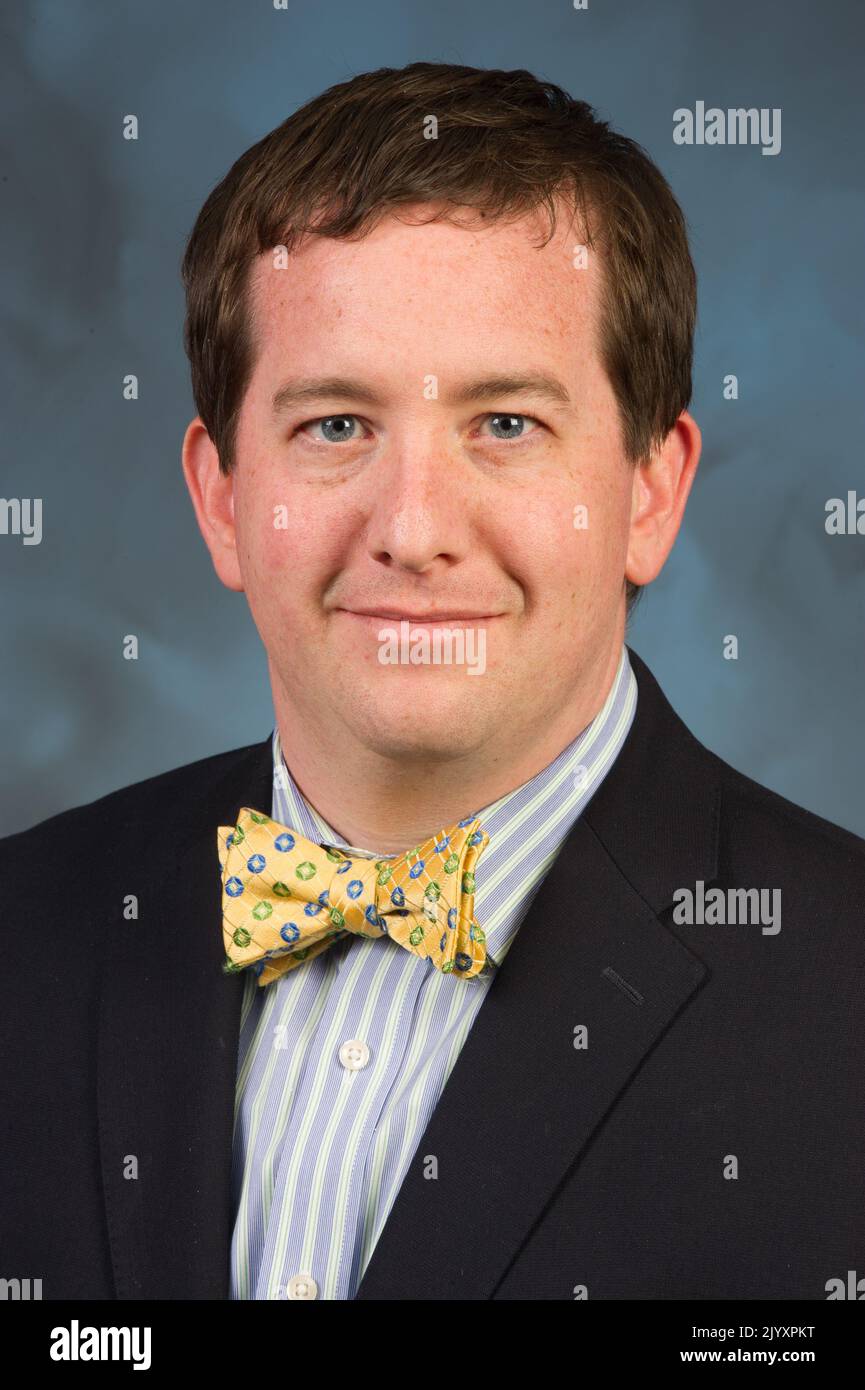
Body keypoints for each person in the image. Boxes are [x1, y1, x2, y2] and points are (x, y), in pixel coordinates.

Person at [2, 62, 863, 1303]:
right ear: (223, 500)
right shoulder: (22, 931)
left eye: (505, 423)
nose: (412, 529)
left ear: (649, 492)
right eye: (335, 426)